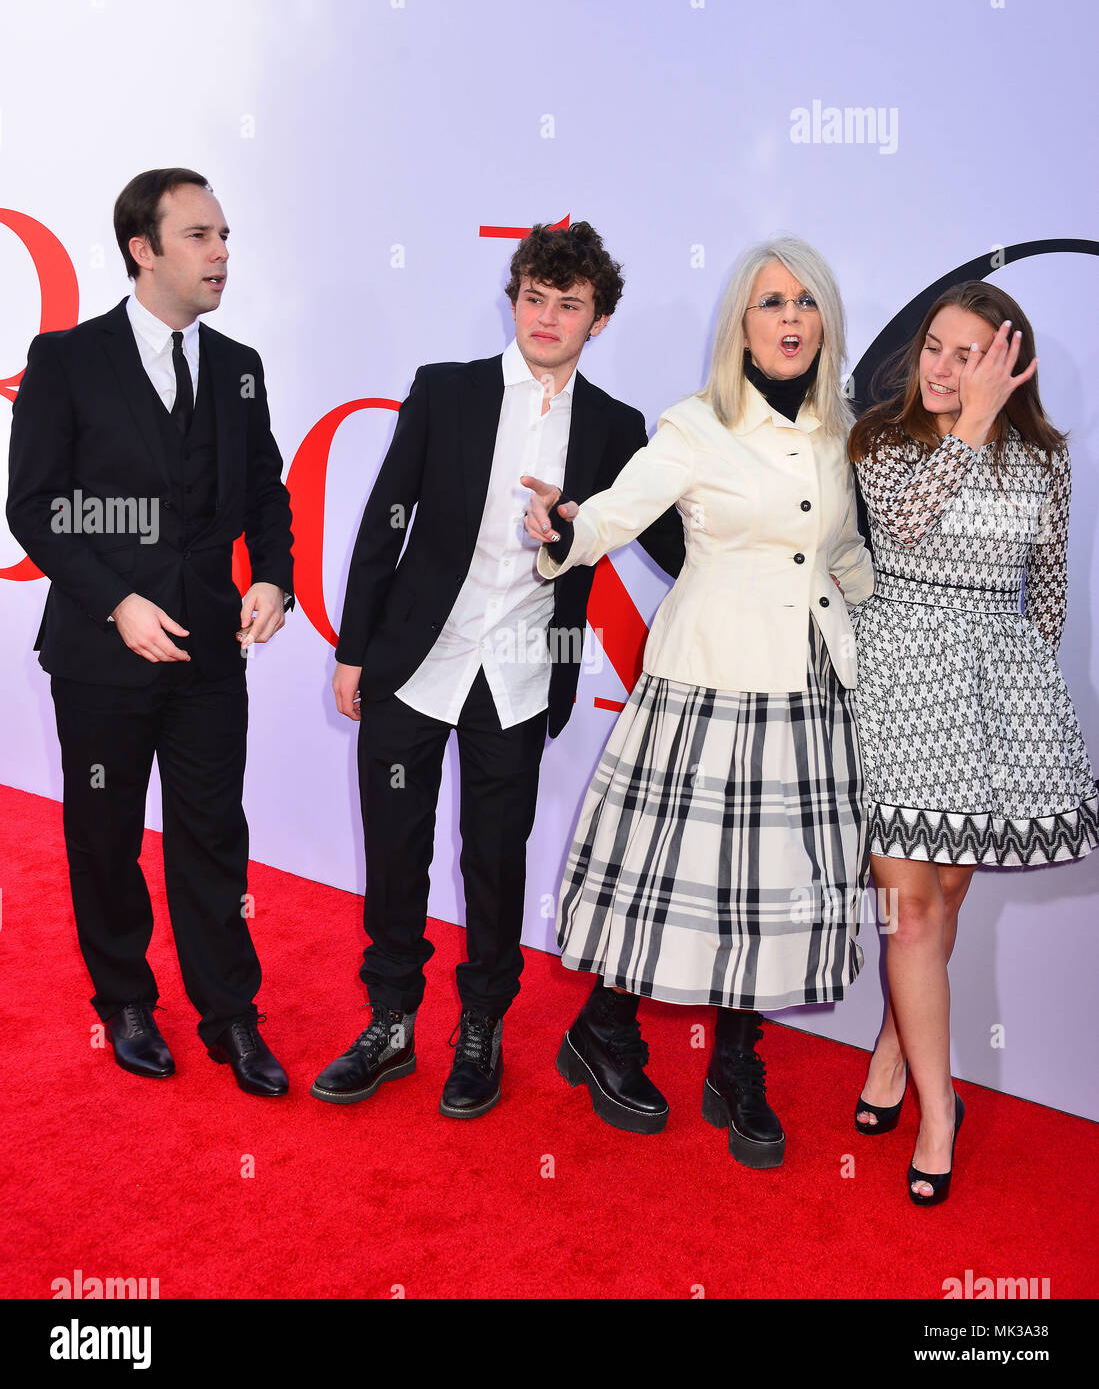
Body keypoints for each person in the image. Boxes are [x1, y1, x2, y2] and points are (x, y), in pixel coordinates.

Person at [312, 222, 684, 1117]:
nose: (547, 318)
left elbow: (670, 542)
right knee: (395, 846)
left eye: (570, 305)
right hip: (413, 658)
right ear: (512, 295)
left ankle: (480, 1029)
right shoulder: (446, 392)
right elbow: (384, 523)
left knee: (495, 857)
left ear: (599, 320)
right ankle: (390, 1023)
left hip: (521, 669)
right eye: (534, 298)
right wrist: (354, 649)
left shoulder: (614, 427)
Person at [523, 235, 875, 1167]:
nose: (789, 317)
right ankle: (604, 1028)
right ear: (741, 325)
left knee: (766, 888)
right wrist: (566, 525)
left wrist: (893, 618)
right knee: (665, 876)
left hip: (805, 686)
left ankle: (735, 1061)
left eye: (804, 300)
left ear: (825, 320)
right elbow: (612, 514)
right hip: (709, 677)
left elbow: (840, 557)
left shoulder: (842, 432)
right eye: (769, 302)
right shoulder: (695, 424)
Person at [6, 168, 295, 1096]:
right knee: (104, 832)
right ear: (145, 250)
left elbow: (264, 490)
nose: (221, 254)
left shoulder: (239, 365)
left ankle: (231, 1015)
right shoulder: (67, 359)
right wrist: (116, 601)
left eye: (224, 236)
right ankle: (125, 1000)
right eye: (201, 236)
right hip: (101, 652)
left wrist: (276, 577)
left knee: (213, 833)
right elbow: (37, 507)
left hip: (212, 648)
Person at [847, 282, 1097, 1204]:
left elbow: (1049, 588)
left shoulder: (1046, 459)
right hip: (903, 677)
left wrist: (1036, 695)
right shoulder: (880, 441)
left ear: (1010, 360)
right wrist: (969, 429)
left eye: (971, 355)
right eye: (937, 350)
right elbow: (904, 530)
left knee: (946, 893)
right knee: (907, 906)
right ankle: (938, 1107)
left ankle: (888, 1048)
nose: (948, 370)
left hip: (999, 689)